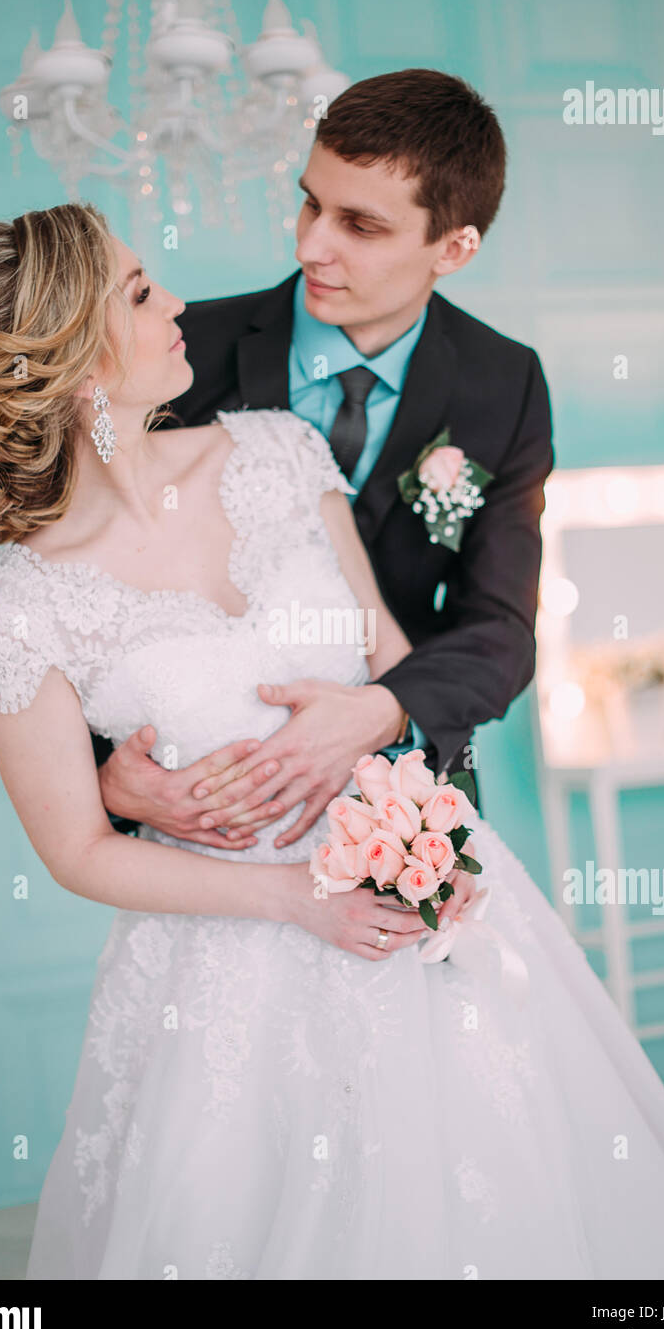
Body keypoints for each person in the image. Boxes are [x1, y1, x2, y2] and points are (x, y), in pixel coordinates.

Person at [0, 202, 664, 1280]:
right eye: (141, 290)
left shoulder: (279, 452)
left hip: (420, 899)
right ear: (73, 361)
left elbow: (391, 658)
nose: (178, 304)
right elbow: (73, 848)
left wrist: (426, 829)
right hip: (225, 973)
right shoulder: (18, 613)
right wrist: (293, 896)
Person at [91, 70, 554, 854]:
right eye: (310, 201)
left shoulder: (501, 386)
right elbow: (83, 582)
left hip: (403, 810)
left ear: (454, 247)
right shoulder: (180, 352)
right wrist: (106, 777)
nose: (310, 245)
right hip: (214, 812)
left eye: (359, 226)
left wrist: (383, 708)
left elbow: (500, 627)